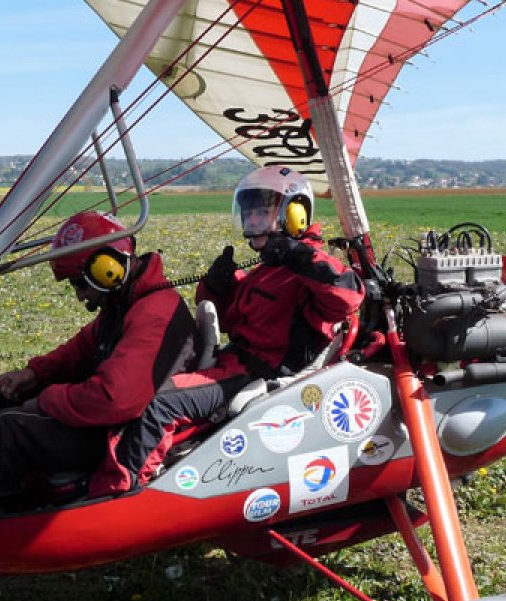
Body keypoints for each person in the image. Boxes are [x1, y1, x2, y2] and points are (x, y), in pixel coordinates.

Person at [0, 211, 196, 518]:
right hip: (106, 420)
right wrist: (32, 374)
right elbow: (80, 349)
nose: (79, 296)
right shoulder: (126, 302)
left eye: (79, 283)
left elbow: (114, 399)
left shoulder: (155, 312)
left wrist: (47, 399)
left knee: (10, 427)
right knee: (7, 395)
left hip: (116, 436)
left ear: (107, 269)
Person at [136, 166, 364, 443]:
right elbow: (231, 317)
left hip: (255, 375)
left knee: (155, 406)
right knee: (139, 383)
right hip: (230, 362)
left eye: (261, 212)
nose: (252, 220)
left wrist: (301, 257)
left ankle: (120, 485)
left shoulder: (309, 268)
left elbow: (346, 298)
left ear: (295, 215)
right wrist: (218, 286)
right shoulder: (269, 269)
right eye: (249, 212)